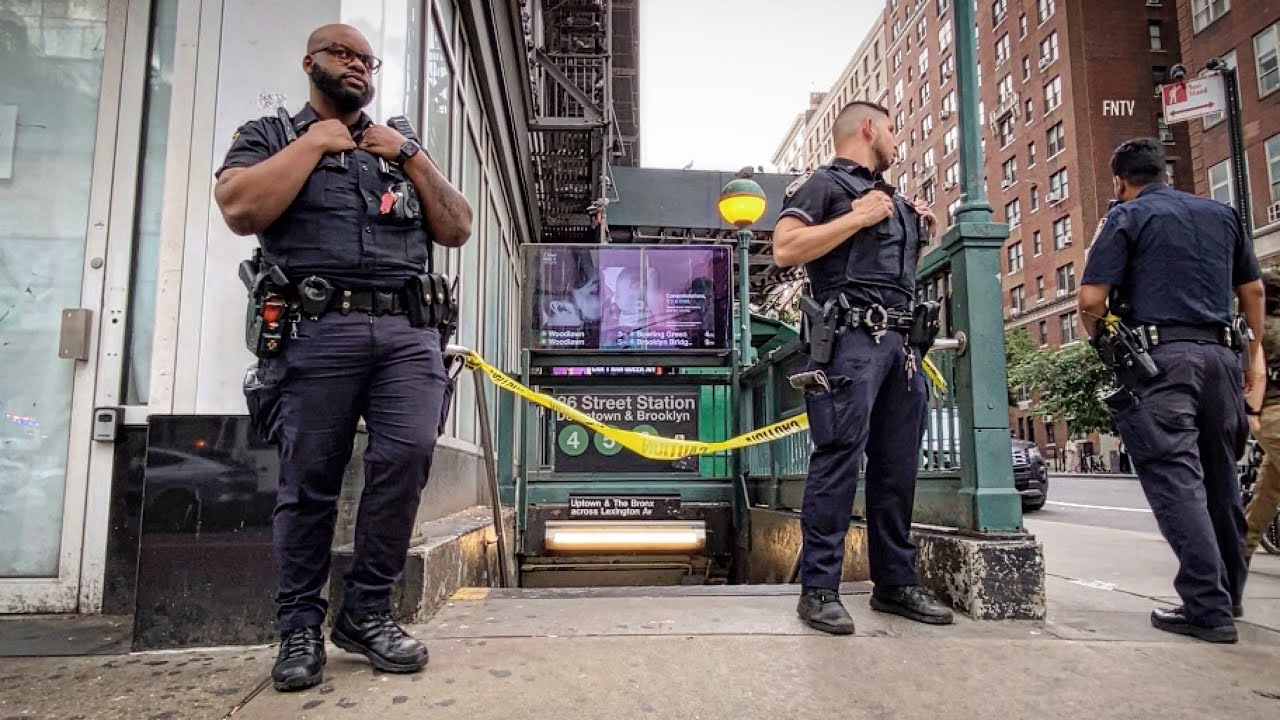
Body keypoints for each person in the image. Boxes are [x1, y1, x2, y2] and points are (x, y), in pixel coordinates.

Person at [213, 24, 472, 690]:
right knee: (310, 485)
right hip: (315, 330)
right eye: (343, 55)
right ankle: (300, 626)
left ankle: (367, 611)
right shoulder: (270, 134)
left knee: (407, 457)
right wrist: (311, 145)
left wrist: (412, 154)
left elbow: (458, 226)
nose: (357, 65)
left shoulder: (397, 147)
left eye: (366, 58)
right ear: (311, 63)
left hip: (408, 334)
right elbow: (241, 208)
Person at [772, 100, 953, 635]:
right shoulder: (823, 184)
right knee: (837, 462)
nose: (898, 141)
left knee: (897, 470)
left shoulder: (892, 200)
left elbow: (891, 274)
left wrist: (921, 232)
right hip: (851, 341)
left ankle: (895, 583)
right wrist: (856, 216)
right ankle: (820, 590)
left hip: (902, 347)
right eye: (894, 130)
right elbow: (785, 248)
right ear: (869, 129)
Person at [1079, 137, 1264, 644]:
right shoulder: (1221, 214)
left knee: (1176, 481)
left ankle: (1207, 608)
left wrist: (1108, 346)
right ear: (1165, 170)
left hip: (1161, 364)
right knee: (1221, 479)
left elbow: (1091, 299)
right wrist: (1249, 358)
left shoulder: (1126, 218)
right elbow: (1252, 291)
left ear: (1121, 180)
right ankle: (1229, 595)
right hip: (1223, 359)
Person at [1244, 270, 1280, 564]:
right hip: (1269, 413)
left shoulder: (1260, 329)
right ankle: (1238, 555)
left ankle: (1239, 554)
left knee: (1266, 493)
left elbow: (1253, 373)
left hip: (1270, 414)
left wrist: (1252, 412)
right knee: (1266, 493)